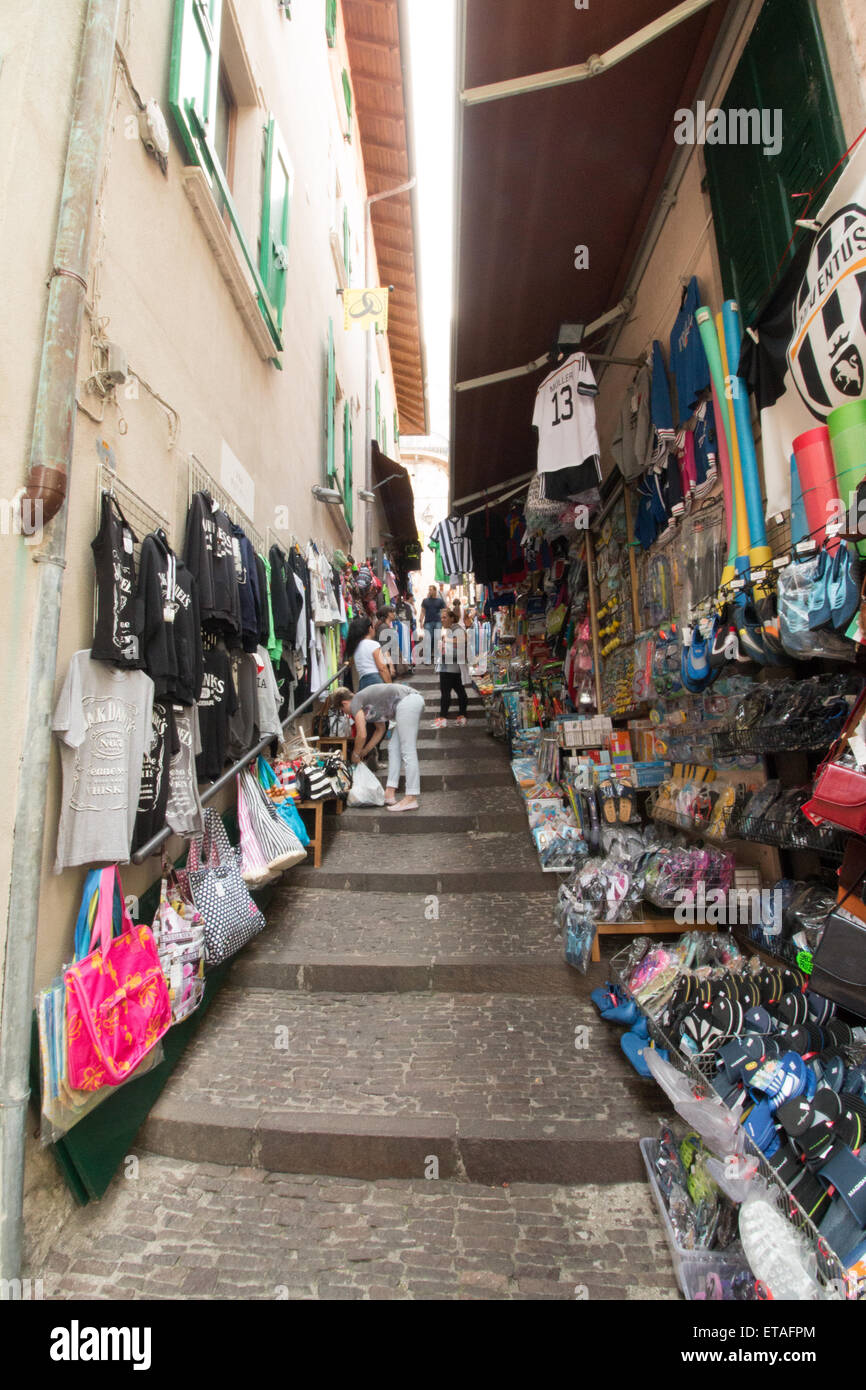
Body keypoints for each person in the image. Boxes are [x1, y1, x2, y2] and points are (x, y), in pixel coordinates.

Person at [335, 682, 425, 813]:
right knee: (393, 748)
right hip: (410, 702)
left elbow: (362, 734)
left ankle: (411, 797)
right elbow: (380, 729)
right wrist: (364, 751)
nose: (346, 713)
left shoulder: (355, 702)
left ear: (344, 703)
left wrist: (355, 754)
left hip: (408, 702)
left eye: (343, 711)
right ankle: (389, 792)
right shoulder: (364, 701)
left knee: (408, 750)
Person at [434, 609, 468, 728]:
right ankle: (461, 716)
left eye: (444, 617)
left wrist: (445, 642)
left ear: (452, 618)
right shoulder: (450, 630)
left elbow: (463, 640)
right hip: (449, 666)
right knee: (458, 692)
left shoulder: (456, 628)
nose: (442, 620)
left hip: (450, 667)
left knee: (448, 693)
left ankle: (445, 718)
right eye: (441, 617)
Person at [344, 614, 391, 691]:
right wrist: (390, 686)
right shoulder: (373, 644)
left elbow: (352, 662)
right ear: (370, 628)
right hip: (375, 680)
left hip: (363, 682)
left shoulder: (355, 646)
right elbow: (382, 668)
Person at [419, 584, 445, 665]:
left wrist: (444, 621)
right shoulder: (425, 601)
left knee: (437, 639)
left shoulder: (440, 601)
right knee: (427, 640)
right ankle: (427, 660)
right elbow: (422, 611)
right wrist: (420, 620)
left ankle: (438, 659)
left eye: (431, 589)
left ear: (435, 590)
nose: (429, 591)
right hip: (428, 622)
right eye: (429, 589)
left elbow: (444, 611)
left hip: (438, 622)